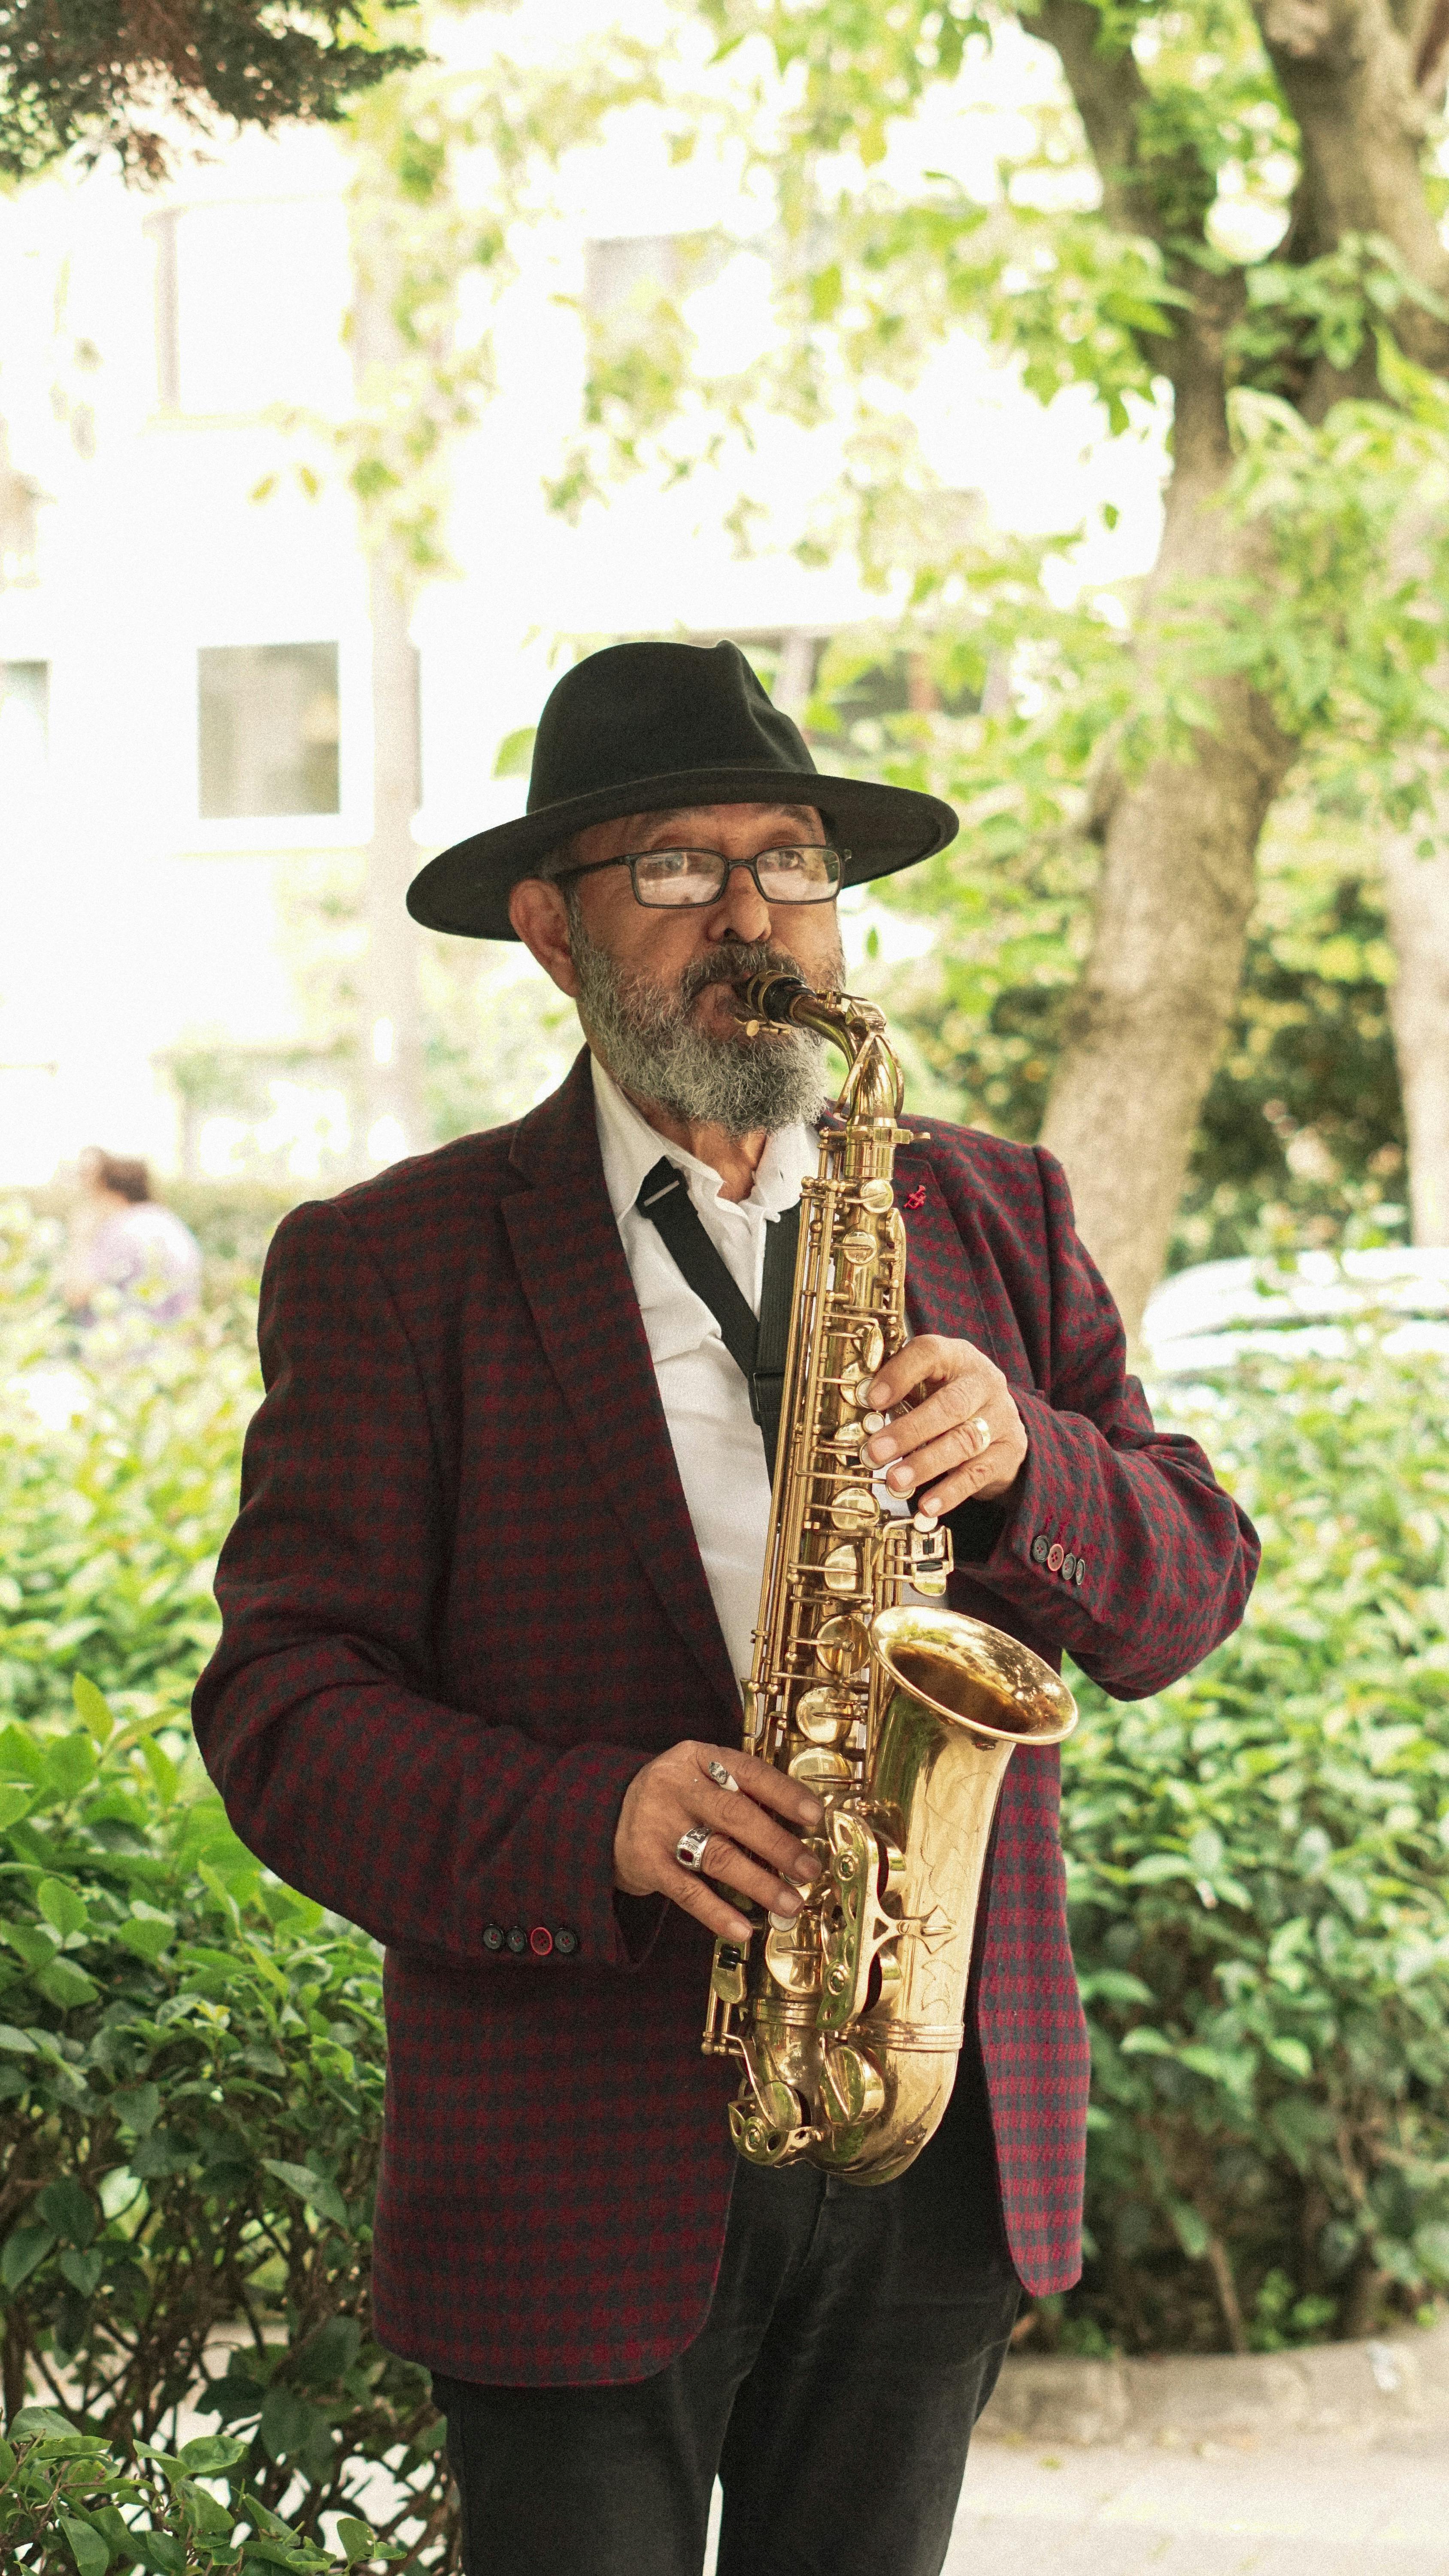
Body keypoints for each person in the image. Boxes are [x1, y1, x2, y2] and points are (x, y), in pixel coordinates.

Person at [192, 640, 1258, 2576]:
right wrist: (587, 1815)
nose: (754, 915)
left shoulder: (993, 1208)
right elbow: (280, 1706)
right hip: (573, 2155)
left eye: (788, 861)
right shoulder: (390, 1262)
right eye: (676, 869)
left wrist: (1032, 1461)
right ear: (550, 930)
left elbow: (1188, 1581)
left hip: (924, 2129)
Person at [62, 1149, 202, 1327]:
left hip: (132, 1349)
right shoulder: (170, 1222)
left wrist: (80, 1237)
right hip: (173, 1345)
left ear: (105, 1185)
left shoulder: (120, 1230)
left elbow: (77, 1294)